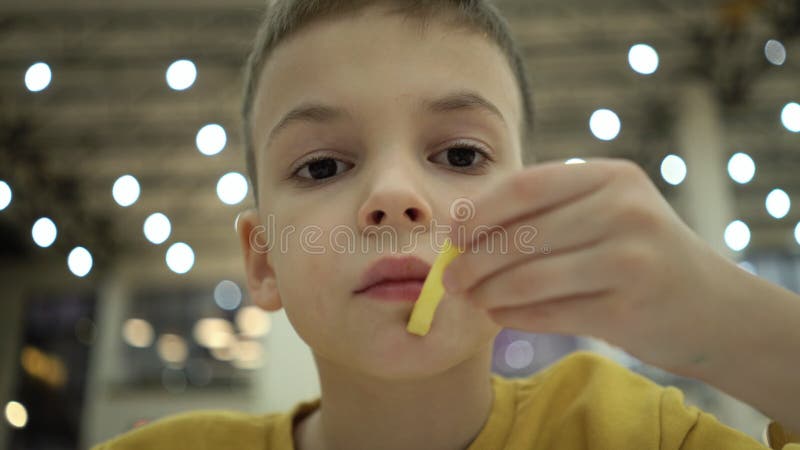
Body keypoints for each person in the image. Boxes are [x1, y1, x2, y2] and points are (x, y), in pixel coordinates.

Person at [93, 1, 800, 449]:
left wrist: (732, 319)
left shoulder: (632, 433)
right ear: (264, 260)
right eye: (321, 166)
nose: (395, 196)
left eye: (461, 154)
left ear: (532, 216)